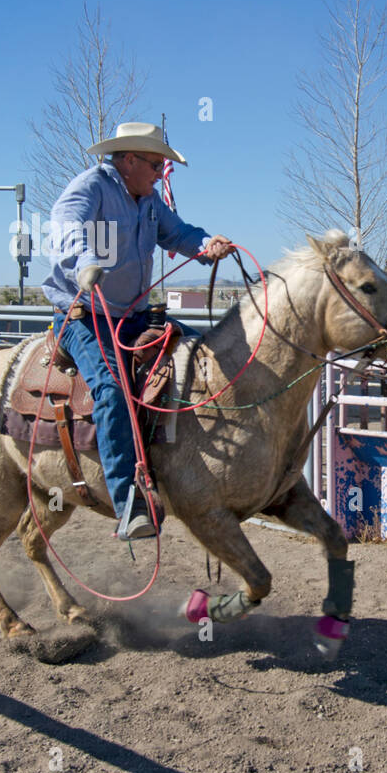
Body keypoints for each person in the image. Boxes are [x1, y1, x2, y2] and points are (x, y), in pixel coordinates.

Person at [41, 122, 237, 540]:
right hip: (86, 316)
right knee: (112, 391)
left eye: (162, 165)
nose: (159, 172)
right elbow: (65, 230)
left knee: (203, 352)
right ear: (127, 159)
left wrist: (206, 245)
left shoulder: (148, 200)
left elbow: (178, 233)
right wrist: (84, 264)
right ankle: (127, 502)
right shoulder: (89, 188)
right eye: (154, 163)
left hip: (131, 316)